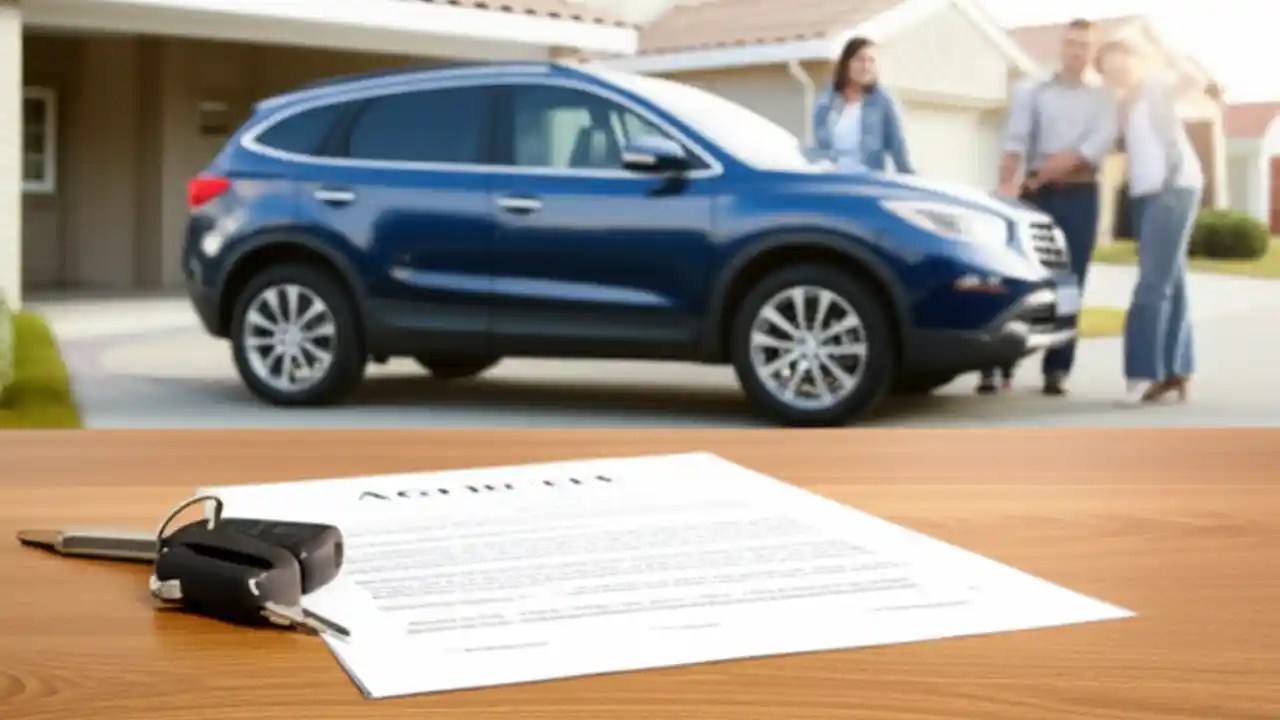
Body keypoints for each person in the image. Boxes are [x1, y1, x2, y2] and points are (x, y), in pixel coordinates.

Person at [979, 18, 1118, 396]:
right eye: (1072, 43)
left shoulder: (1104, 99)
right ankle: (995, 366)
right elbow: (1015, 143)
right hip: (1033, 198)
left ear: (1093, 50)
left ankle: (1056, 369)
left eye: (1084, 45)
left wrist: (1043, 173)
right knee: (1016, 278)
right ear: (1062, 46)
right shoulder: (1033, 90)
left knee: (1069, 285)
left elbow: (1088, 152)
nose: (1077, 51)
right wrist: (1009, 187)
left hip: (1080, 196)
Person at [1095, 39, 1203, 403]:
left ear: (1137, 61)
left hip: (1173, 189)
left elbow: (1193, 81)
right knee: (1172, 278)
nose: (1117, 72)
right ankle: (1177, 369)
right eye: (1109, 68)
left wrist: (1164, 48)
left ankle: (1142, 373)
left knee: (1151, 284)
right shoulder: (1119, 106)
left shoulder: (1157, 87)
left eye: (1122, 63)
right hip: (1145, 195)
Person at [811, 37, 914, 174]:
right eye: (860, 60)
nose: (866, 66)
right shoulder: (826, 100)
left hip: (867, 182)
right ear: (846, 63)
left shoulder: (883, 101)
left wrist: (910, 181)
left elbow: (899, 148)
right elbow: (819, 148)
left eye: (871, 60)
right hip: (833, 181)